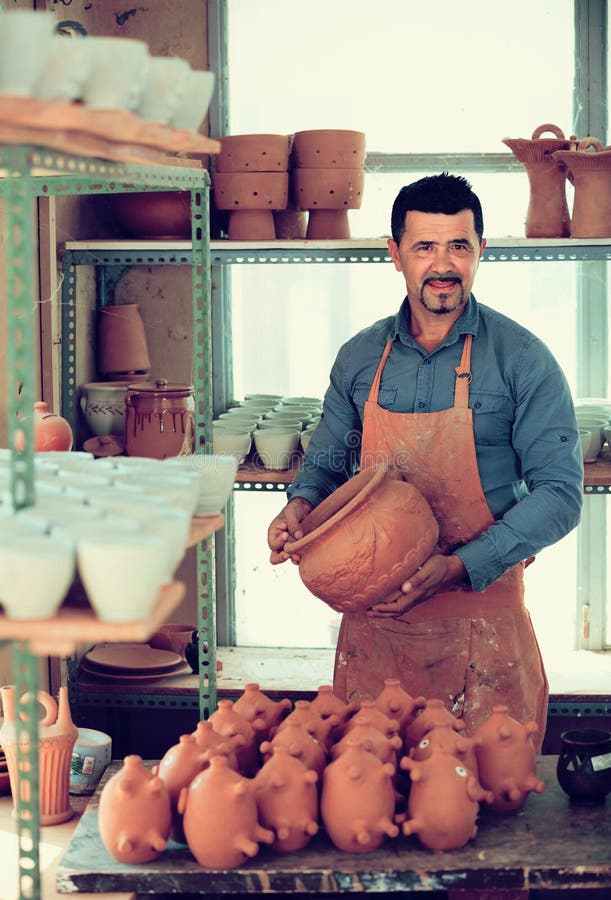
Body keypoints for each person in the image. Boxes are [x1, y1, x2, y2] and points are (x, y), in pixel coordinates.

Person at [267, 172, 583, 750]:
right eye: (424, 247)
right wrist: (299, 505)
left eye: (459, 246)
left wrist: (459, 565)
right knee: (369, 798)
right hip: (377, 631)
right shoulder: (361, 357)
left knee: (489, 811)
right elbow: (327, 461)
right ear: (395, 254)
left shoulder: (524, 360)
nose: (444, 264)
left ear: (481, 251)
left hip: (483, 628)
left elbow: (561, 497)